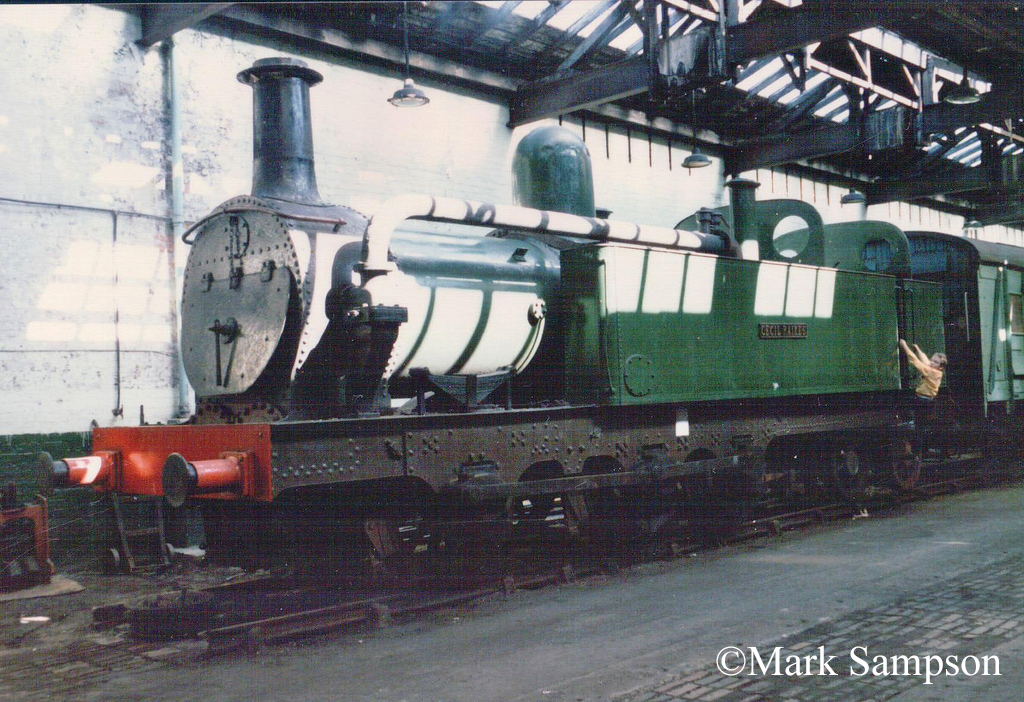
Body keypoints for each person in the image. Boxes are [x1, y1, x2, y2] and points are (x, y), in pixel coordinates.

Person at [899, 339, 947, 454]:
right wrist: (919, 350)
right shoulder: (934, 370)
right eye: (933, 359)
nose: (931, 362)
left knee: (919, 427)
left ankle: (917, 451)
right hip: (925, 401)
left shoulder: (933, 373)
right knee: (920, 426)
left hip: (922, 402)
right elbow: (925, 361)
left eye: (935, 362)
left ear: (940, 367)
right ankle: (919, 449)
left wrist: (904, 346)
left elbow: (916, 362)